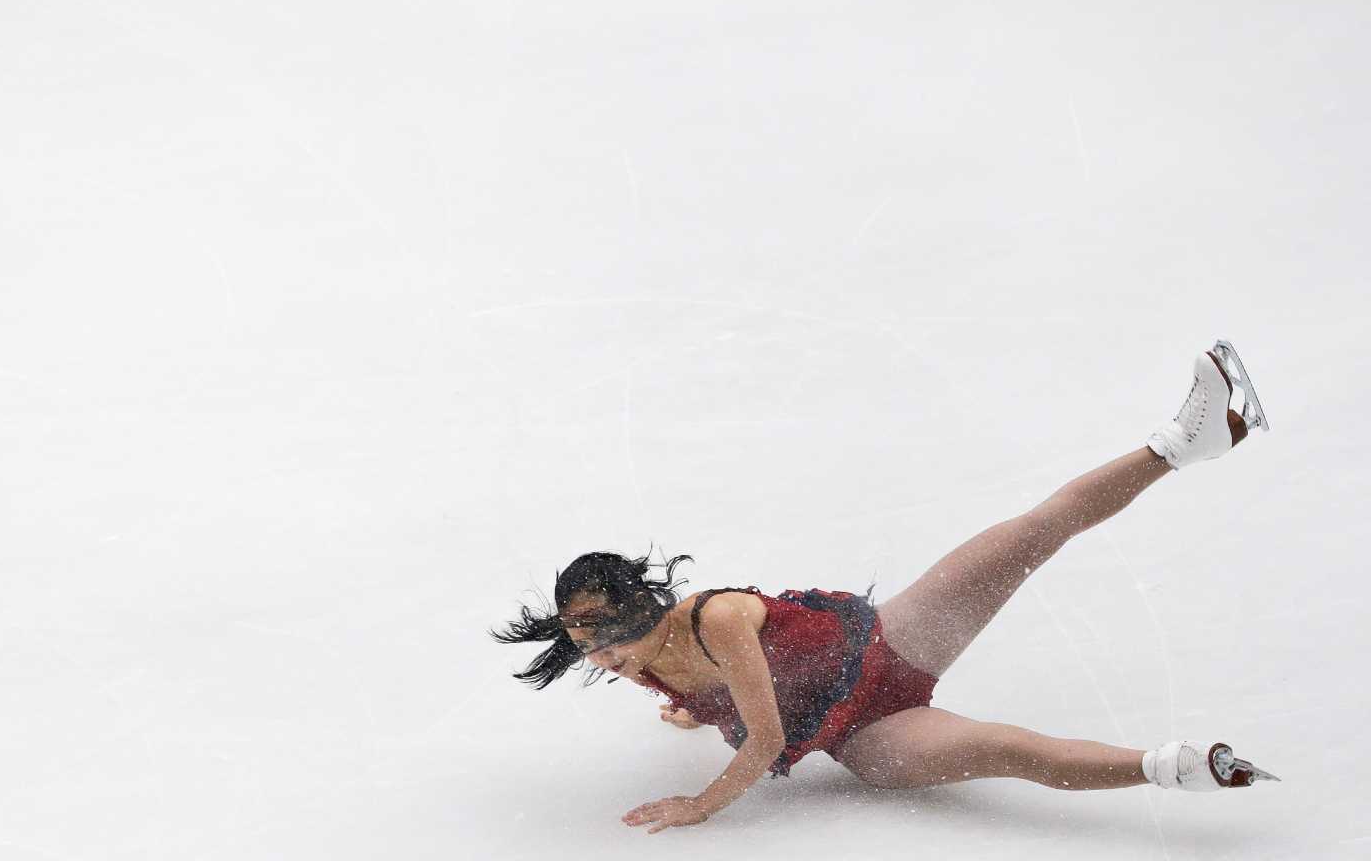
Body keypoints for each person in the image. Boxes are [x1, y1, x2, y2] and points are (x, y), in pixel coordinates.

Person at [493, 342, 1280, 832]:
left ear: (646, 612)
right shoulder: (643, 657)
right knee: (1015, 753)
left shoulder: (719, 618)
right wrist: (698, 704)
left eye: (607, 642)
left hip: (893, 640)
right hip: (867, 739)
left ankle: (1186, 440)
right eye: (585, 645)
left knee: (1033, 532)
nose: (602, 660)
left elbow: (765, 740)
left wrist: (700, 804)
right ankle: (1183, 765)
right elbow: (745, 706)